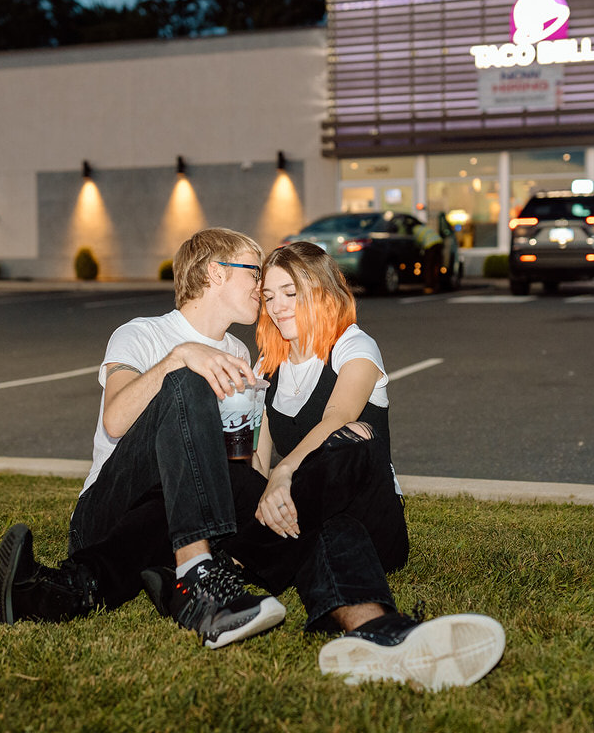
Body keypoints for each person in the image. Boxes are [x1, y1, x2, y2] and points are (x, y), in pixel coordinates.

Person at [147, 241, 506, 690]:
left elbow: (338, 415)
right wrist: (260, 481)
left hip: (373, 515)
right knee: (315, 522)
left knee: (348, 441)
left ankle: (239, 563)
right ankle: (383, 636)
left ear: (318, 290)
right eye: (269, 295)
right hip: (307, 518)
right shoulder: (270, 364)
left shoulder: (353, 345)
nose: (276, 307)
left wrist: (283, 474)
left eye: (289, 292)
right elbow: (257, 458)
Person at [0, 227, 285, 649]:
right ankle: (195, 579)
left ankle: (71, 590)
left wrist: (267, 433)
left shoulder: (239, 353)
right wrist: (179, 359)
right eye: (253, 272)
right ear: (215, 273)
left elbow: (243, 467)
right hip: (111, 510)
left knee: (271, 497)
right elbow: (115, 420)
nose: (262, 286)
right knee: (186, 383)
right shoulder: (141, 334)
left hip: (184, 513)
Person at [414, 214, 445, 293]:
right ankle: (437, 284)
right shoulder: (424, 228)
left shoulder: (414, 230)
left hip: (430, 245)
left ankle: (429, 286)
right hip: (439, 242)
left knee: (428, 266)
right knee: (436, 265)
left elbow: (416, 243)